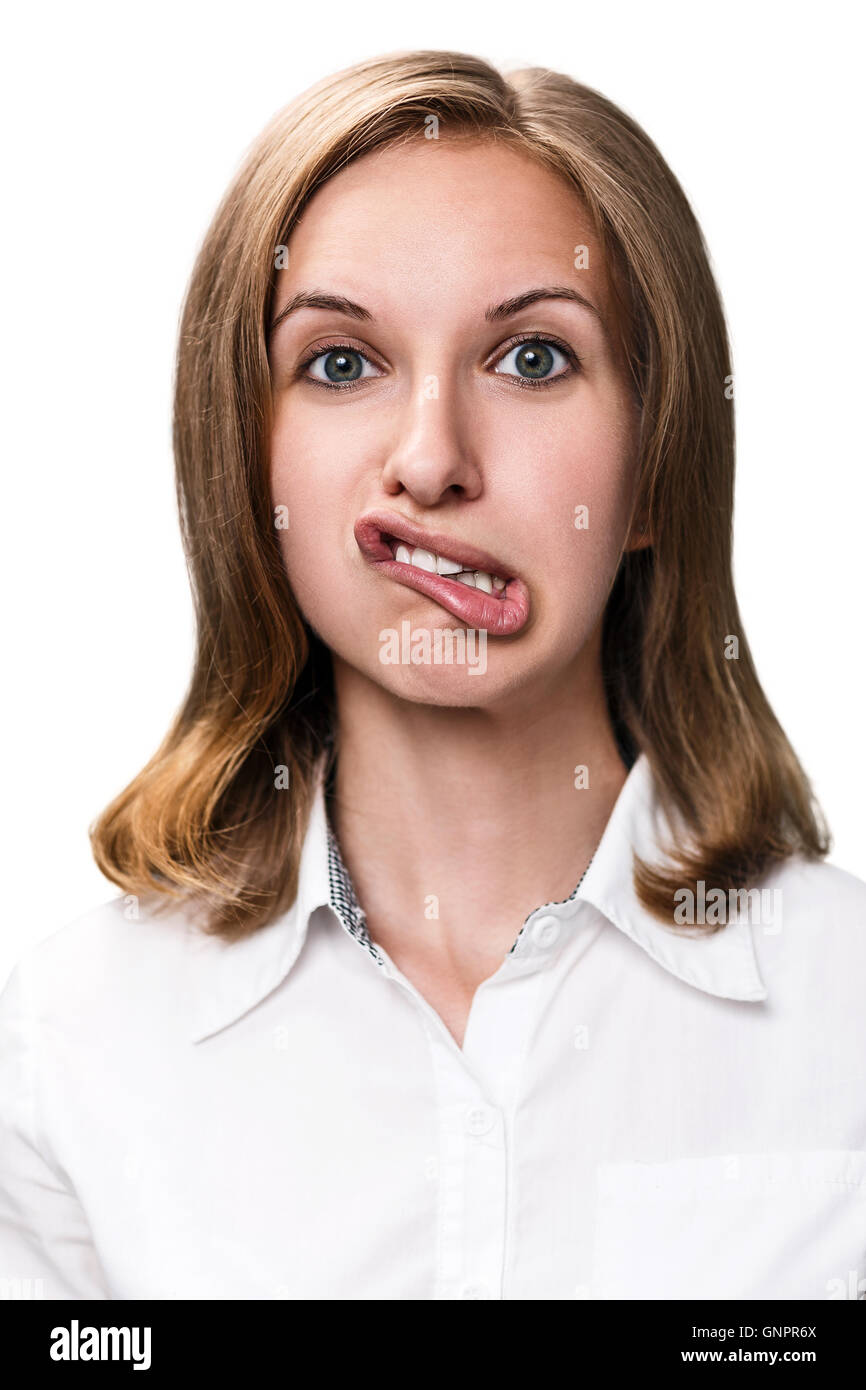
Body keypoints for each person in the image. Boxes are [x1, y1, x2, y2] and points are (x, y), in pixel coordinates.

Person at [2, 50, 864, 1302]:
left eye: (530, 359)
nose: (430, 461)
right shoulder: (70, 1042)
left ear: (655, 466)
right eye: (342, 364)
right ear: (250, 467)